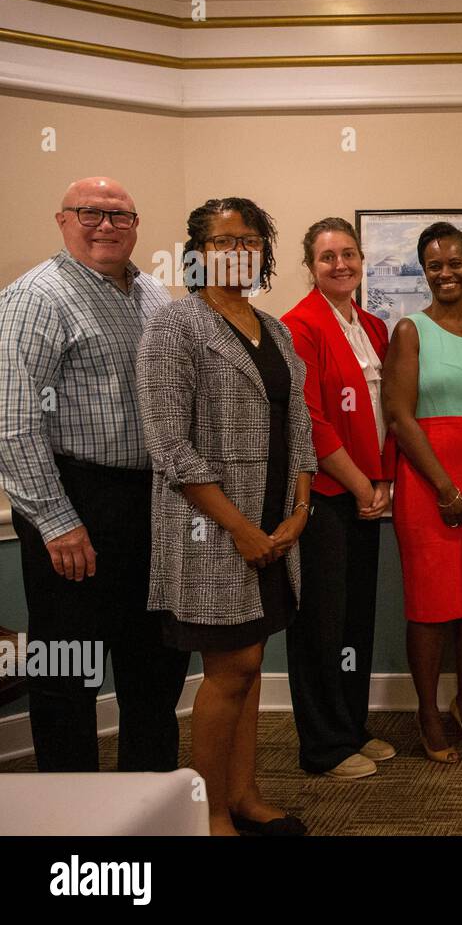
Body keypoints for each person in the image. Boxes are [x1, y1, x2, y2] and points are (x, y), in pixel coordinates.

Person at [137, 196, 316, 836]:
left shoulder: (279, 329)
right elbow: (168, 444)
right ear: (197, 252)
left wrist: (298, 509)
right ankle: (208, 813)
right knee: (228, 671)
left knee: (250, 667)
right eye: (222, 240)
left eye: (249, 240)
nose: (236, 251)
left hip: (276, 524)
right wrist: (237, 526)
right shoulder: (175, 326)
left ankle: (244, 794)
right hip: (210, 527)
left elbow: (299, 428)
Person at [0, 177, 189, 773]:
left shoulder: (154, 295)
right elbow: (11, 418)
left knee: (154, 666)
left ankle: (148, 802)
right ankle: (71, 816)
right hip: (75, 500)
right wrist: (56, 522)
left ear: (136, 225)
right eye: (90, 213)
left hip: (151, 504)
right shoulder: (38, 296)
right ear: (62, 220)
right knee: (69, 671)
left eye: (120, 216)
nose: (106, 225)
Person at [384, 222, 462, 764]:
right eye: (435, 265)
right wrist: (444, 487)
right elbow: (399, 415)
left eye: (456, 263)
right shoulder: (409, 331)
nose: (446, 273)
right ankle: (429, 712)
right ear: (424, 271)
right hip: (426, 478)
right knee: (431, 606)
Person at [281, 218, 396, 780]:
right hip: (326, 497)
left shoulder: (374, 326)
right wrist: (360, 485)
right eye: (328, 257)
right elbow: (311, 420)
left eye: (348, 254)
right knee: (321, 624)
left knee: (356, 619)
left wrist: (385, 482)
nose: (340, 265)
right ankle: (322, 746)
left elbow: (390, 410)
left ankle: (352, 728)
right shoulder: (298, 327)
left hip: (370, 494)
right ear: (311, 266)